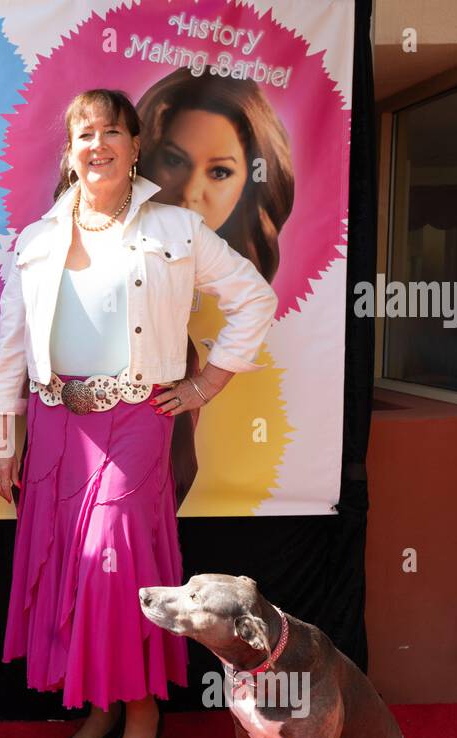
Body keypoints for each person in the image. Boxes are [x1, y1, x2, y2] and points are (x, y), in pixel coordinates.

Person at [0, 89, 277, 738]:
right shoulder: (38, 238)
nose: (98, 145)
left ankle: (142, 716)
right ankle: (100, 707)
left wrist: (206, 387)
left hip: (137, 427)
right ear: (68, 151)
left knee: (115, 571)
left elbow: (254, 299)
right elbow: (10, 350)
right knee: (69, 572)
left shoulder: (177, 227)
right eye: (84, 134)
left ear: (135, 144)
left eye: (112, 132)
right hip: (55, 425)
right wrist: (3, 437)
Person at [136, 71, 294, 509]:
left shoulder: (206, 250)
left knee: (147, 515)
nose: (189, 192)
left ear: (252, 181)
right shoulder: (81, 228)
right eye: (173, 160)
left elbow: (256, 301)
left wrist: (204, 385)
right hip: (71, 423)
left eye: (220, 171)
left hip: (160, 396)